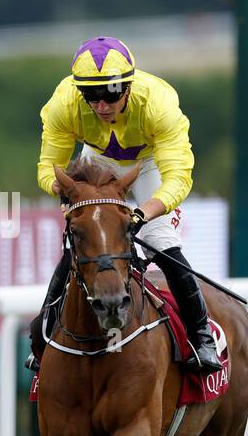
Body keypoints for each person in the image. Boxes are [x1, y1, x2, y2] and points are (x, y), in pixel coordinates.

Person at [32, 36, 222, 374]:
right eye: (91, 96)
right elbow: (49, 167)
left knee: (162, 242)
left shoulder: (158, 103)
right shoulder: (63, 102)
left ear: (129, 87)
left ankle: (201, 337)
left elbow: (177, 177)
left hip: (147, 164)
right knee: (79, 242)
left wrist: (142, 213)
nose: (101, 105)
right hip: (97, 162)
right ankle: (42, 339)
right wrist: (66, 195)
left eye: (111, 94)